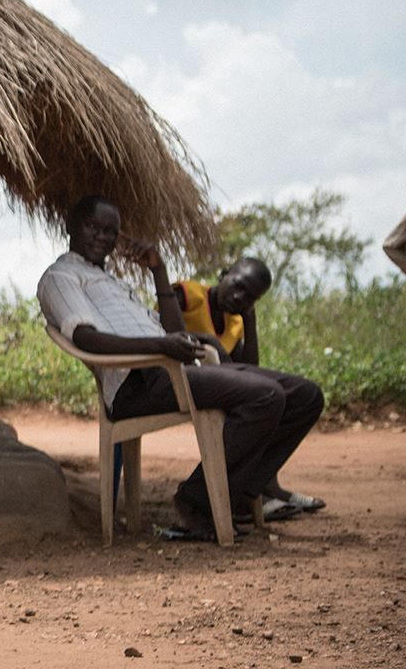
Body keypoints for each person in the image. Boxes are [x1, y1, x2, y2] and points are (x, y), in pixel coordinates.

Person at [39, 195, 323, 538]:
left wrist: (159, 271)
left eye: (110, 231)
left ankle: (242, 491)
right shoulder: (62, 276)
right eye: (93, 227)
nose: (102, 236)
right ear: (71, 225)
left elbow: (173, 333)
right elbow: (85, 338)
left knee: (306, 395)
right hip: (137, 384)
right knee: (265, 396)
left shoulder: (112, 282)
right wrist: (159, 347)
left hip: (173, 372)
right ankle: (198, 500)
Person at [175, 258, 325, 517]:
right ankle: (218, 493)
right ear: (224, 275)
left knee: (307, 396)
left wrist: (249, 321)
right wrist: (208, 339)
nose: (239, 297)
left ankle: (252, 487)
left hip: (226, 388)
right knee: (267, 396)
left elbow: (251, 371)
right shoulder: (187, 295)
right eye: (238, 286)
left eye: (250, 297)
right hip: (181, 382)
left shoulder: (235, 322)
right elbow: (159, 330)